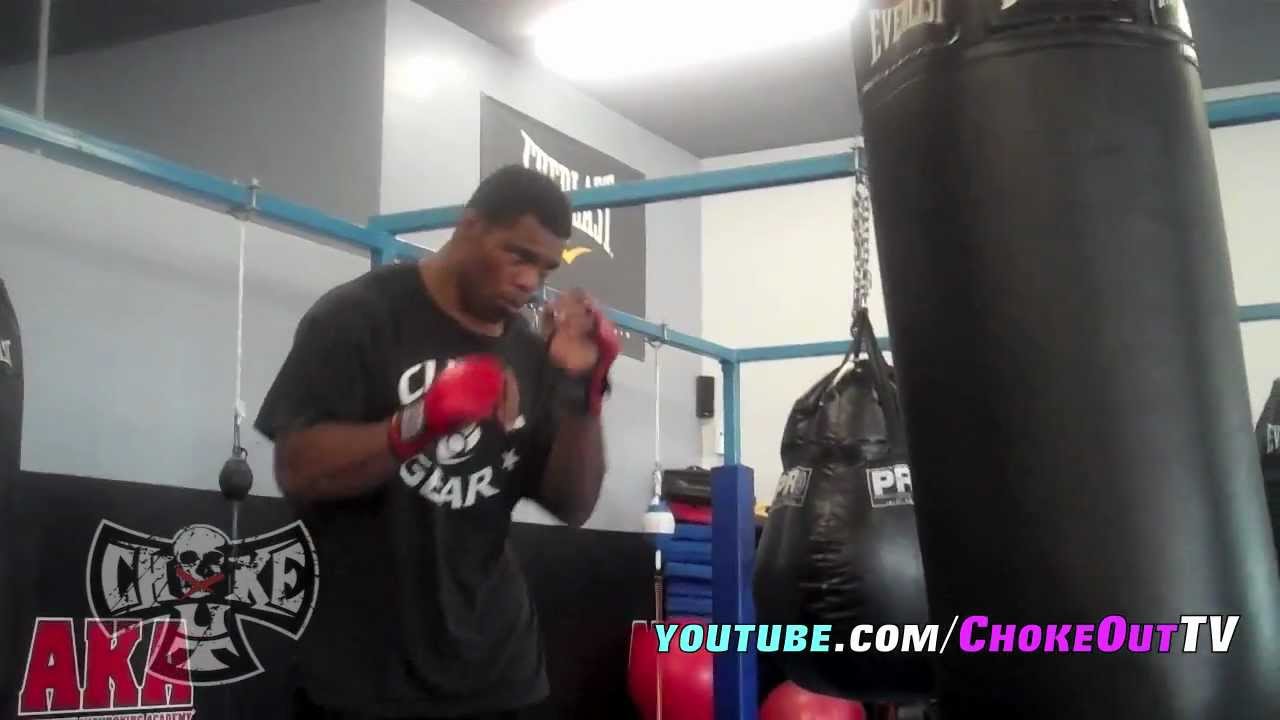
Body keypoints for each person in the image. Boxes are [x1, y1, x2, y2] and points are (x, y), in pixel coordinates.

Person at [254, 165, 620, 720]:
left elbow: (573, 504)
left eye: (542, 268)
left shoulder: (527, 351)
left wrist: (581, 396)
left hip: (499, 670)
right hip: (365, 673)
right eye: (517, 255)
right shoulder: (360, 316)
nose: (528, 282)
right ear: (469, 226)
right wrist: (416, 425)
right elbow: (298, 469)